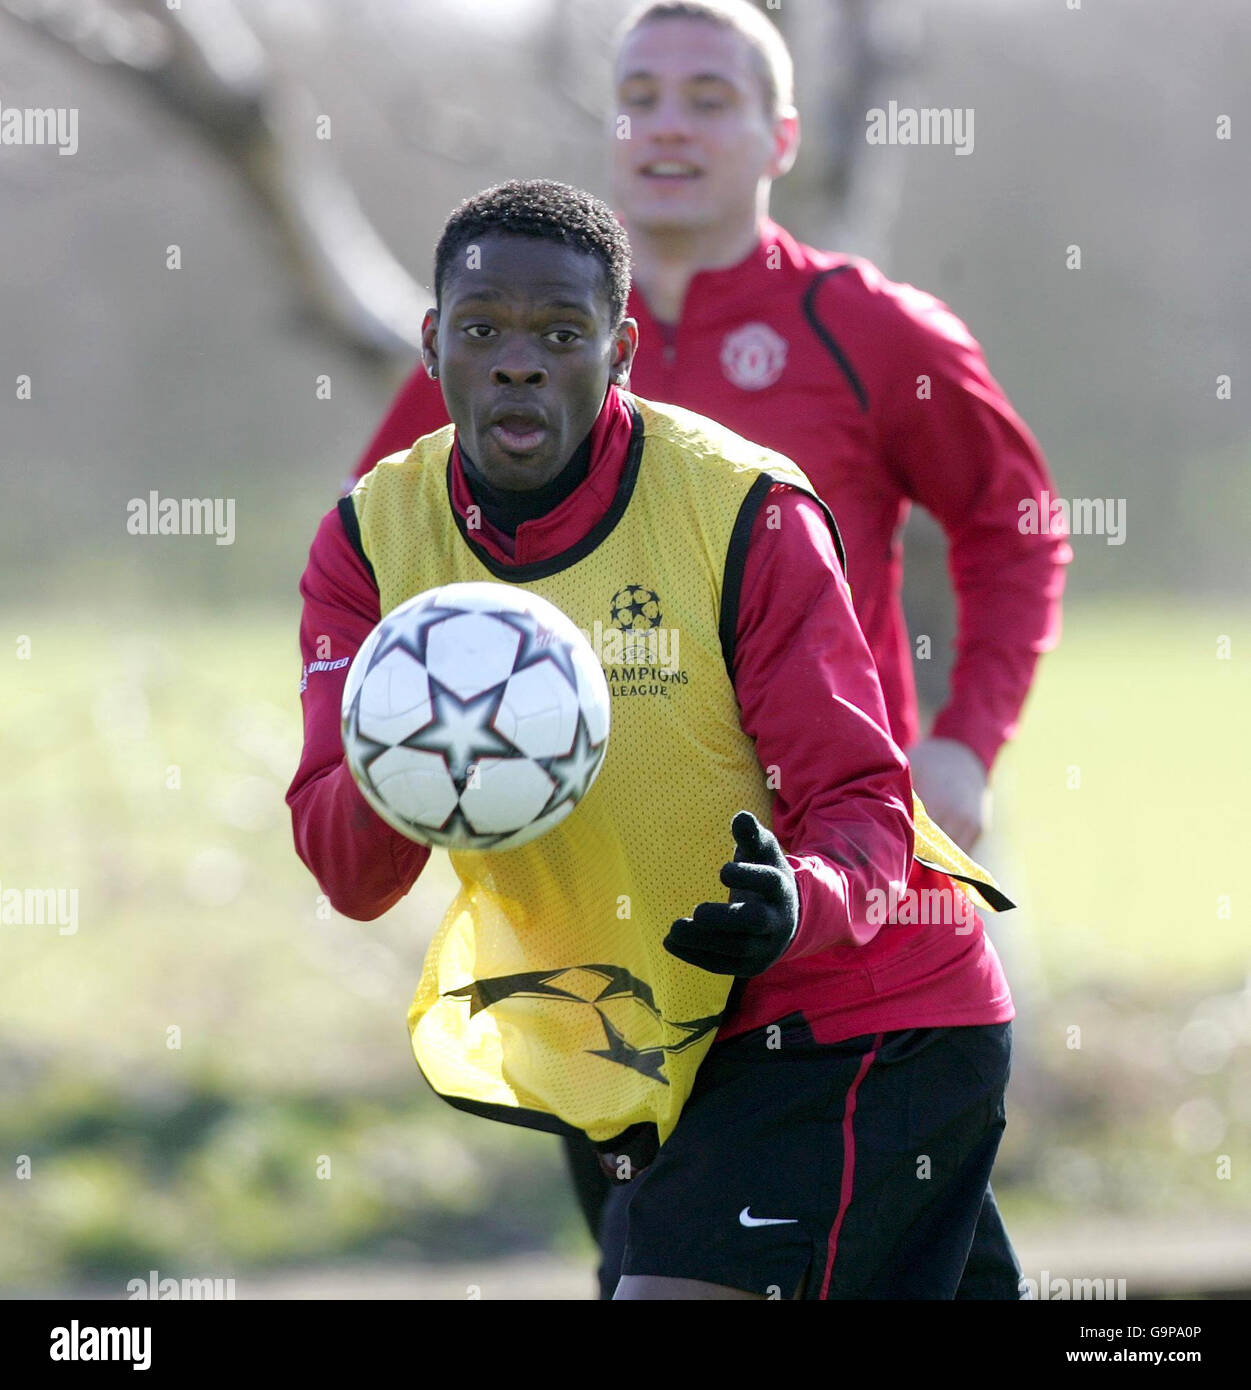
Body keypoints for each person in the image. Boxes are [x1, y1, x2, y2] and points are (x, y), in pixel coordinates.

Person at [340, 1, 1068, 1296]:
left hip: (829, 934)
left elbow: (1017, 525)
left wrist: (965, 740)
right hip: (605, 968)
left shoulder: (870, 332)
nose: (669, 125)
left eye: (710, 97)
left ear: (781, 132)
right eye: (642, 96)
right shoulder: (511, 337)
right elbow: (389, 577)